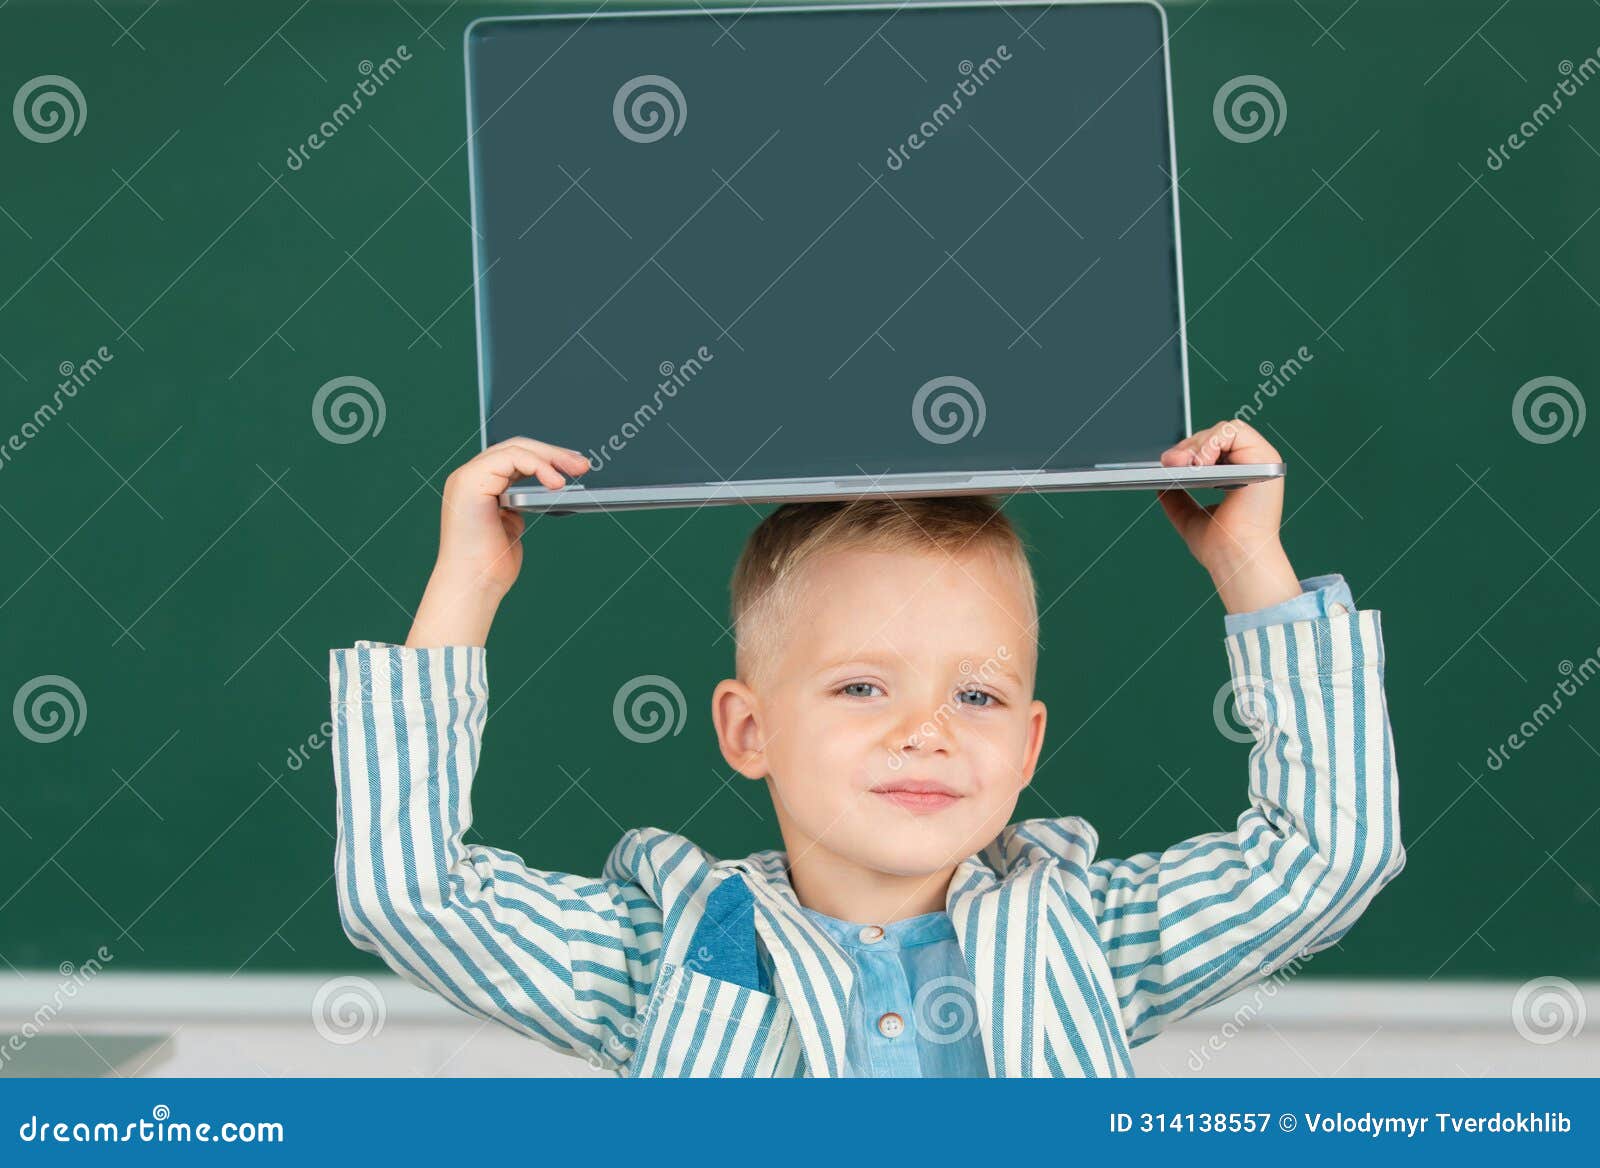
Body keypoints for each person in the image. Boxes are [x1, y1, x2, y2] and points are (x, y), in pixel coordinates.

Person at [328, 417, 1403, 1076]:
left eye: (975, 694)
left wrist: (1250, 571)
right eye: (859, 685)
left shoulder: (1083, 933)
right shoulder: (668, 949)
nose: (924, 730)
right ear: (749, 730)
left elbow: (1327, 854)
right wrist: (465, 583)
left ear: (1028, 746)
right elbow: (407, 895)